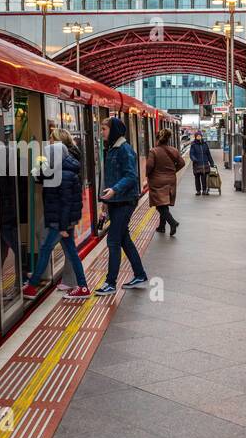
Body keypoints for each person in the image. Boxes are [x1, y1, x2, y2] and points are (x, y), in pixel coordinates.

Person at [22, 128, 90, 300]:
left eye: (52, 142)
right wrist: (39, 174)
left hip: (60, 220)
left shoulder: (64, 172)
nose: (49, 144)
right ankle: (82, 286)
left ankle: (32, 286)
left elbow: (66, 201)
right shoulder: (62, 167)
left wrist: (63, 226)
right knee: (70, 252)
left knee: (46, 249)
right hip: (61, 219)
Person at [95, 115, 148, 295]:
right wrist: (105, 202)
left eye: (104, 129)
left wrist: (115, 190)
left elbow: (131, 176)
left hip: (125, 201)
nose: (101, 132)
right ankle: (139, 274)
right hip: (116, 201)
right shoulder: (112, 148)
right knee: (124, 239)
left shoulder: (124, 150)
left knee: (113, 241)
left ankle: (110, 283)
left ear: (114, 130)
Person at [147, 127, 185, 235]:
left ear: (158, 139)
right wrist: (173, 171)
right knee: (164, 203)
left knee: (160, 205)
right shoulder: (174, 150)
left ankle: (172, 222)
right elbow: (182, 163)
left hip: (157, 181)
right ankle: (161, 226)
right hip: (170, 180)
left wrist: (148, 174)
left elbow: (149, 166)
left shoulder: (153, 151)